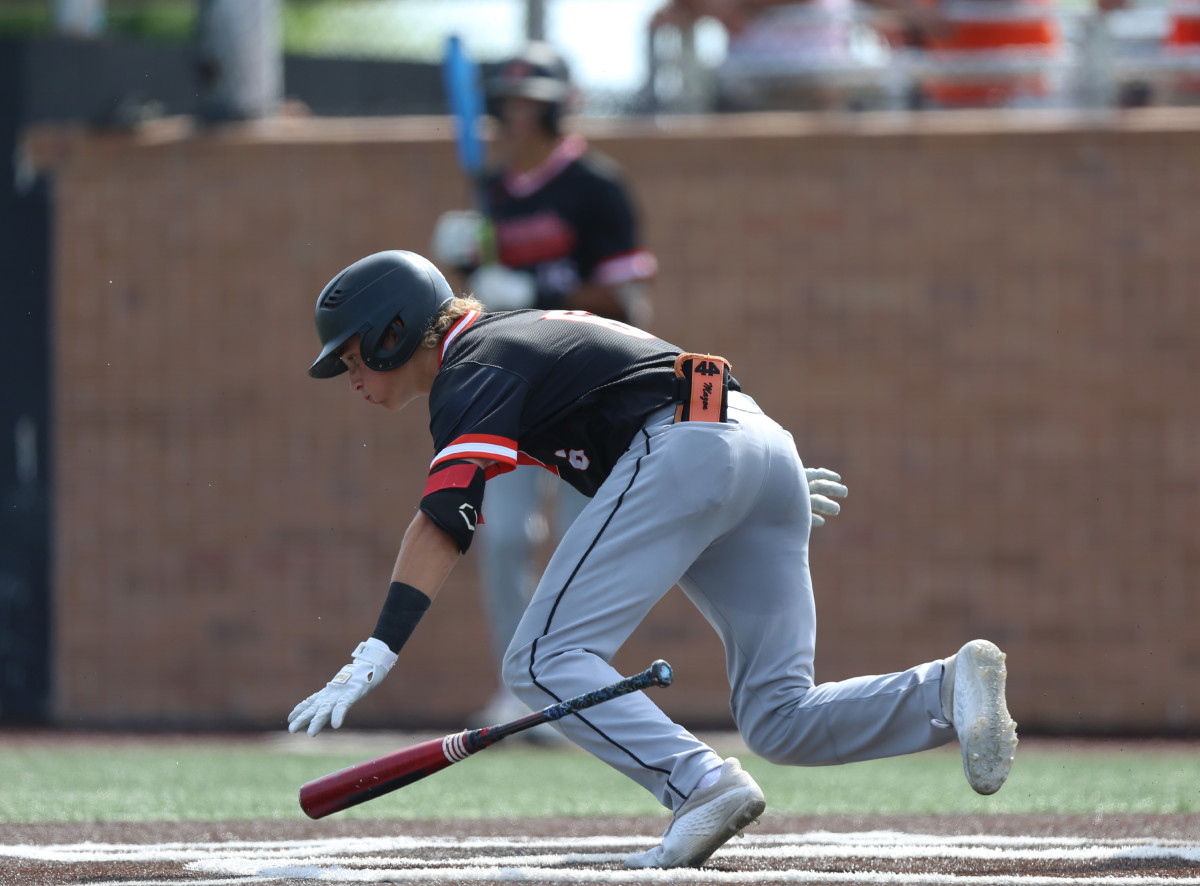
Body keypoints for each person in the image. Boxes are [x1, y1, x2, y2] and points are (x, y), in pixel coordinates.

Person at [288, 250, 1019, 870]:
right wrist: (752, 470)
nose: (349, 374)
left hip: (687, 448)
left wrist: (376, 649)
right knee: (778, 717)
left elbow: (446, 516)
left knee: (540, 660)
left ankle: (697, 783)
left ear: (393, 333)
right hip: (753, 439)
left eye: (352, 354)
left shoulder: (470, 362)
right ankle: (945, 689)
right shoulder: (507, 340)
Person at [430, 42, 658, 731]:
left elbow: (626, 300)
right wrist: (461, 268)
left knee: (586, 543)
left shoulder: (597, 185)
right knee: (500, 540)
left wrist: (537, 288)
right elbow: (474, 307)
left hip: (594, 389)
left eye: (532, 102)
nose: (518, 116)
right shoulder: (494, 193)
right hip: (513, 392)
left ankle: (573, 684)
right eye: (510, 103)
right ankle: (521, 687)